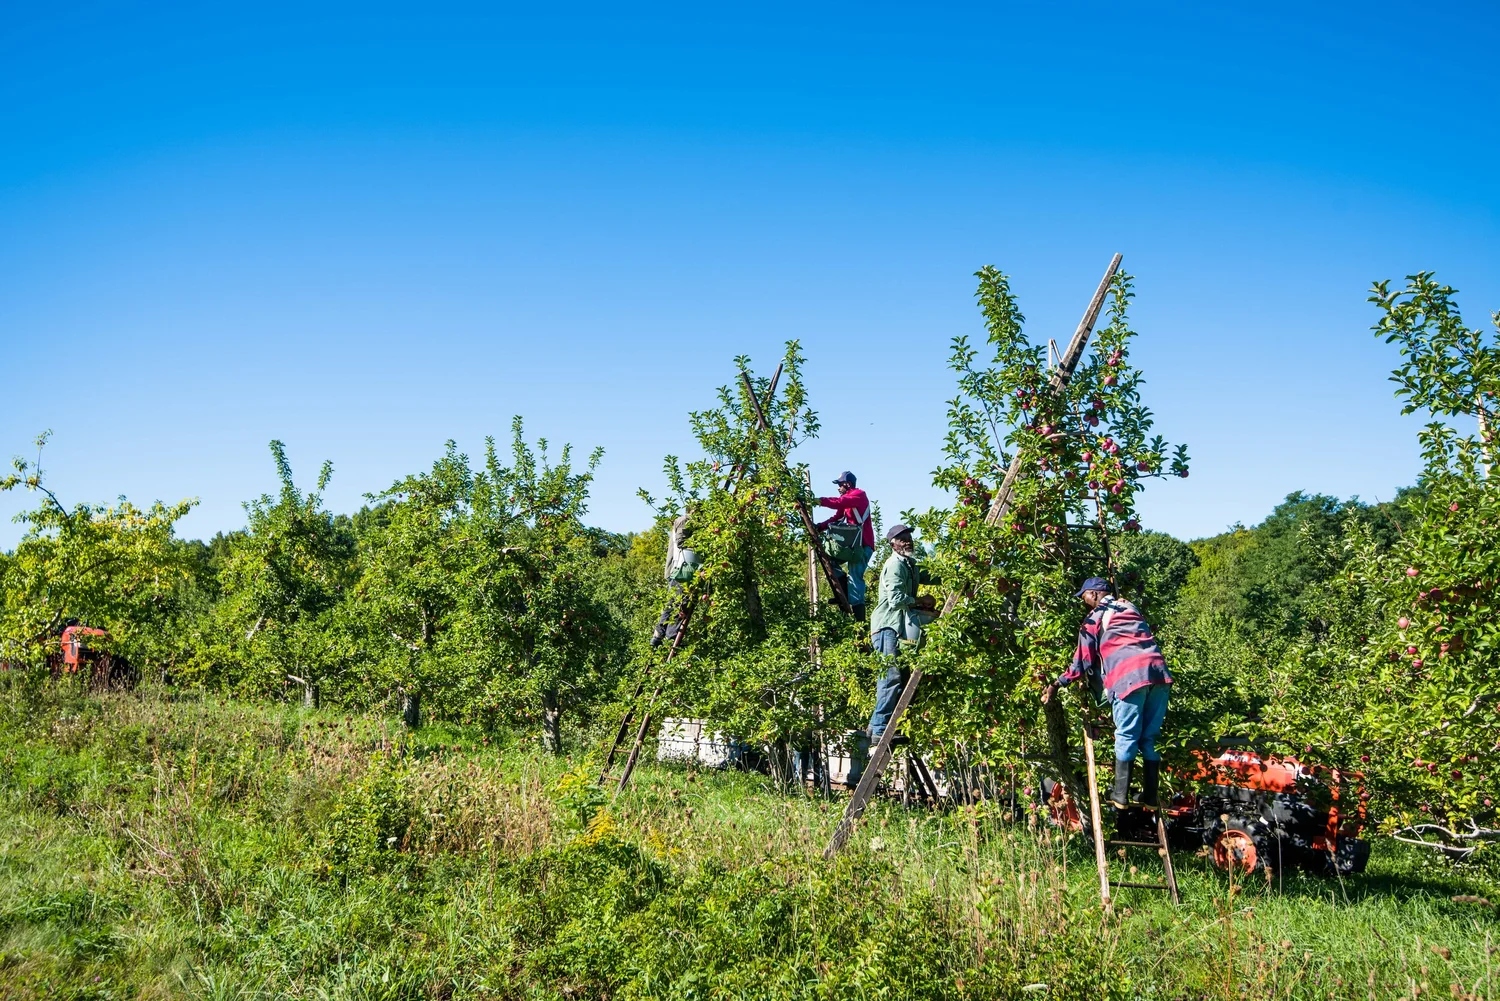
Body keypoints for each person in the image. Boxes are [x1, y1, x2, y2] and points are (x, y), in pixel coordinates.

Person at [1042, 577, 1173, 810]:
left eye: (1084, 598)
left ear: (1093, 594)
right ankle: (1151, 798)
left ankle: (1120, 795)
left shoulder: (1093, 619)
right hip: (1159, 674)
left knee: (1126, 735)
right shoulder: (1131, 607)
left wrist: (1056, 684)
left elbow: (1081, 662)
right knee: (1150, 737)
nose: (1084, 603)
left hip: (1129, 676)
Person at [815, 471, 875, 618]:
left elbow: (838, 503)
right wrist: (820, 527)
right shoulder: (848, 499)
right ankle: (845, 593)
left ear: (847, 484)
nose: (838, 488)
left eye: (840, 485)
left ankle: (858, 617)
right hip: (852, 546)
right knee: (830, 561)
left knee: (855, 576)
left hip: (863, 545)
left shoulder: (859, 495)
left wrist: (817, 501)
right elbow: (837, 516)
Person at [651, 511, 697, 648]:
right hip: (681, 568)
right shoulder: (684, 521)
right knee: (678, 603)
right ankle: (671, 636)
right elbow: (681, 541)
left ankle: (658, 635)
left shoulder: (688, 522)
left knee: (673, 603)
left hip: (682, 568)